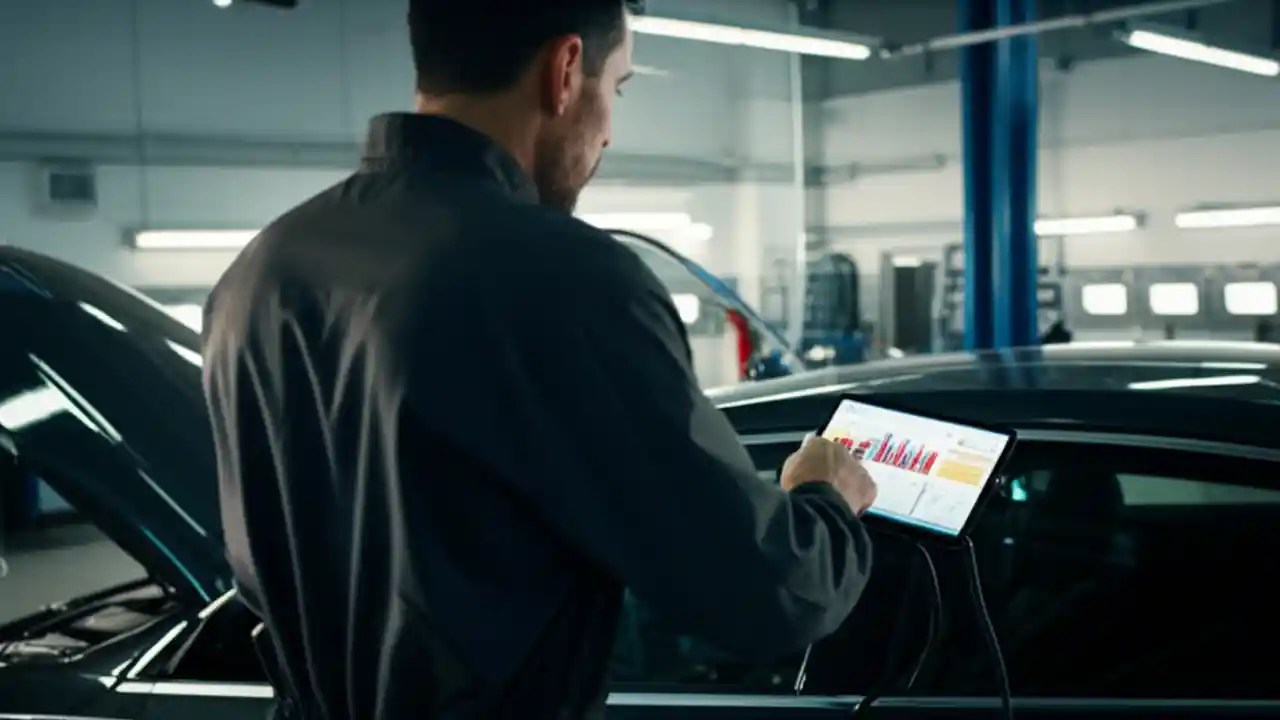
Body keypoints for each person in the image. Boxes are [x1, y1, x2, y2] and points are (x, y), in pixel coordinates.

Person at [201, 1, 877, 718]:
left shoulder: (262, 269)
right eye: (616, 89)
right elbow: (765, 595)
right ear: (563, 72)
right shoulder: (562, 279)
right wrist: (825, 499)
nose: (610, 131)